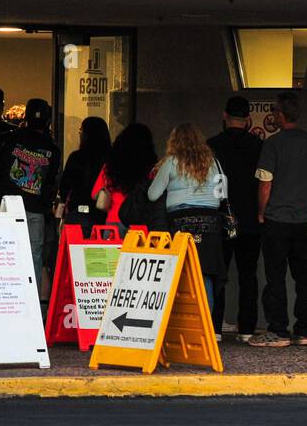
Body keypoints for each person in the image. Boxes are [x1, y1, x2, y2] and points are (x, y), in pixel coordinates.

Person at [249, 92, 307, 348]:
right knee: (305, 277)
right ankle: (304, 330)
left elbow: (265, 183)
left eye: (274, 111)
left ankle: (279, 331)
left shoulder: (273, 144)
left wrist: (261, 212)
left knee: (275, 276)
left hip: (276, 219)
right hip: (301, 222)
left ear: (280, 114)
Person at [0, 98, 61, 292]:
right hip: (34, 211)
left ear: (25, 118)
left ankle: (2, 300)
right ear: (48, 121)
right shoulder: (53, 150)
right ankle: (30, 306)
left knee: (1, 257)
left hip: (4, 208)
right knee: (32, 259)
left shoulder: (7, 139)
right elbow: (51, 182)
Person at [148, 123, 228, 321]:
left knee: (180, 273)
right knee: (206, 274)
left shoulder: (171, 162)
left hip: (180, 224)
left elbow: (152, 195)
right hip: (210, 224)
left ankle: (181, 322)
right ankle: (205, 324)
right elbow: (222, 195)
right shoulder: (214, 163)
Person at [208, 96, 264, 342]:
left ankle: (215, 327)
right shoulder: (258, 145)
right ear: (248, 119)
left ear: (224, 115)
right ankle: (247, 329)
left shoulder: (212, 145)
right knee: (248, 275)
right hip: (251, 220)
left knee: (219, 274)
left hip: (220, 218)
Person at [93, 123, 158, 227]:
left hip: (114, 220)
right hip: (140, 223)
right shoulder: (152, 168)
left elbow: (95, 194)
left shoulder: (110, 166)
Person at [58, 117, 111, 231]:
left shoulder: (77, 157)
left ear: (86, 135)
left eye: (81, 130)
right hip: (105, 215)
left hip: (79, 213)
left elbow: (64, 188)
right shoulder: (112, 158)